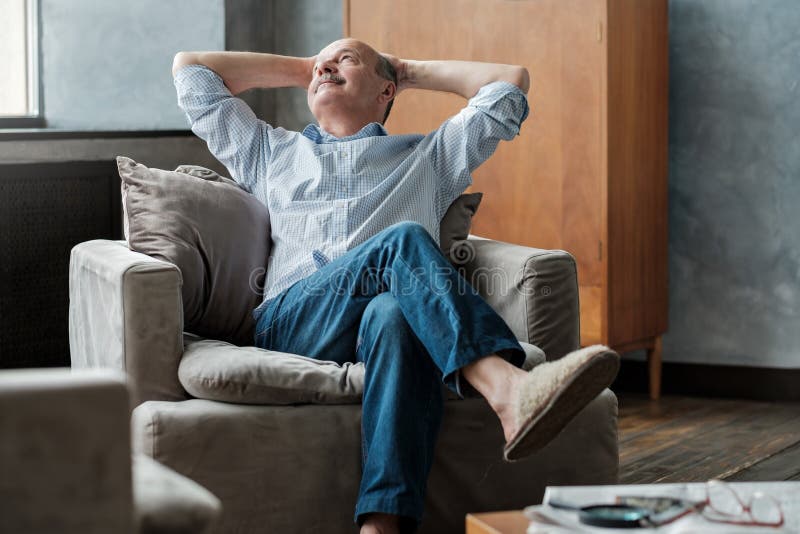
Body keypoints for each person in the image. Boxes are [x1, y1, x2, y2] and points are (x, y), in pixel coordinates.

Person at [172, 38, 620, 534]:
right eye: (321, 64)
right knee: (401, 241)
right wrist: (306, 68)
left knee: (394, 313)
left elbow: (509, 83)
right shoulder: (269, 151)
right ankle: (506, 386)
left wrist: (407, 70)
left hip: (382, 329)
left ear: (386, 90)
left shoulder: (430, 157)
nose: (325, 67)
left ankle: (382, 523)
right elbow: (192, 71)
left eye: (345, 59)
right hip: (296, 323)